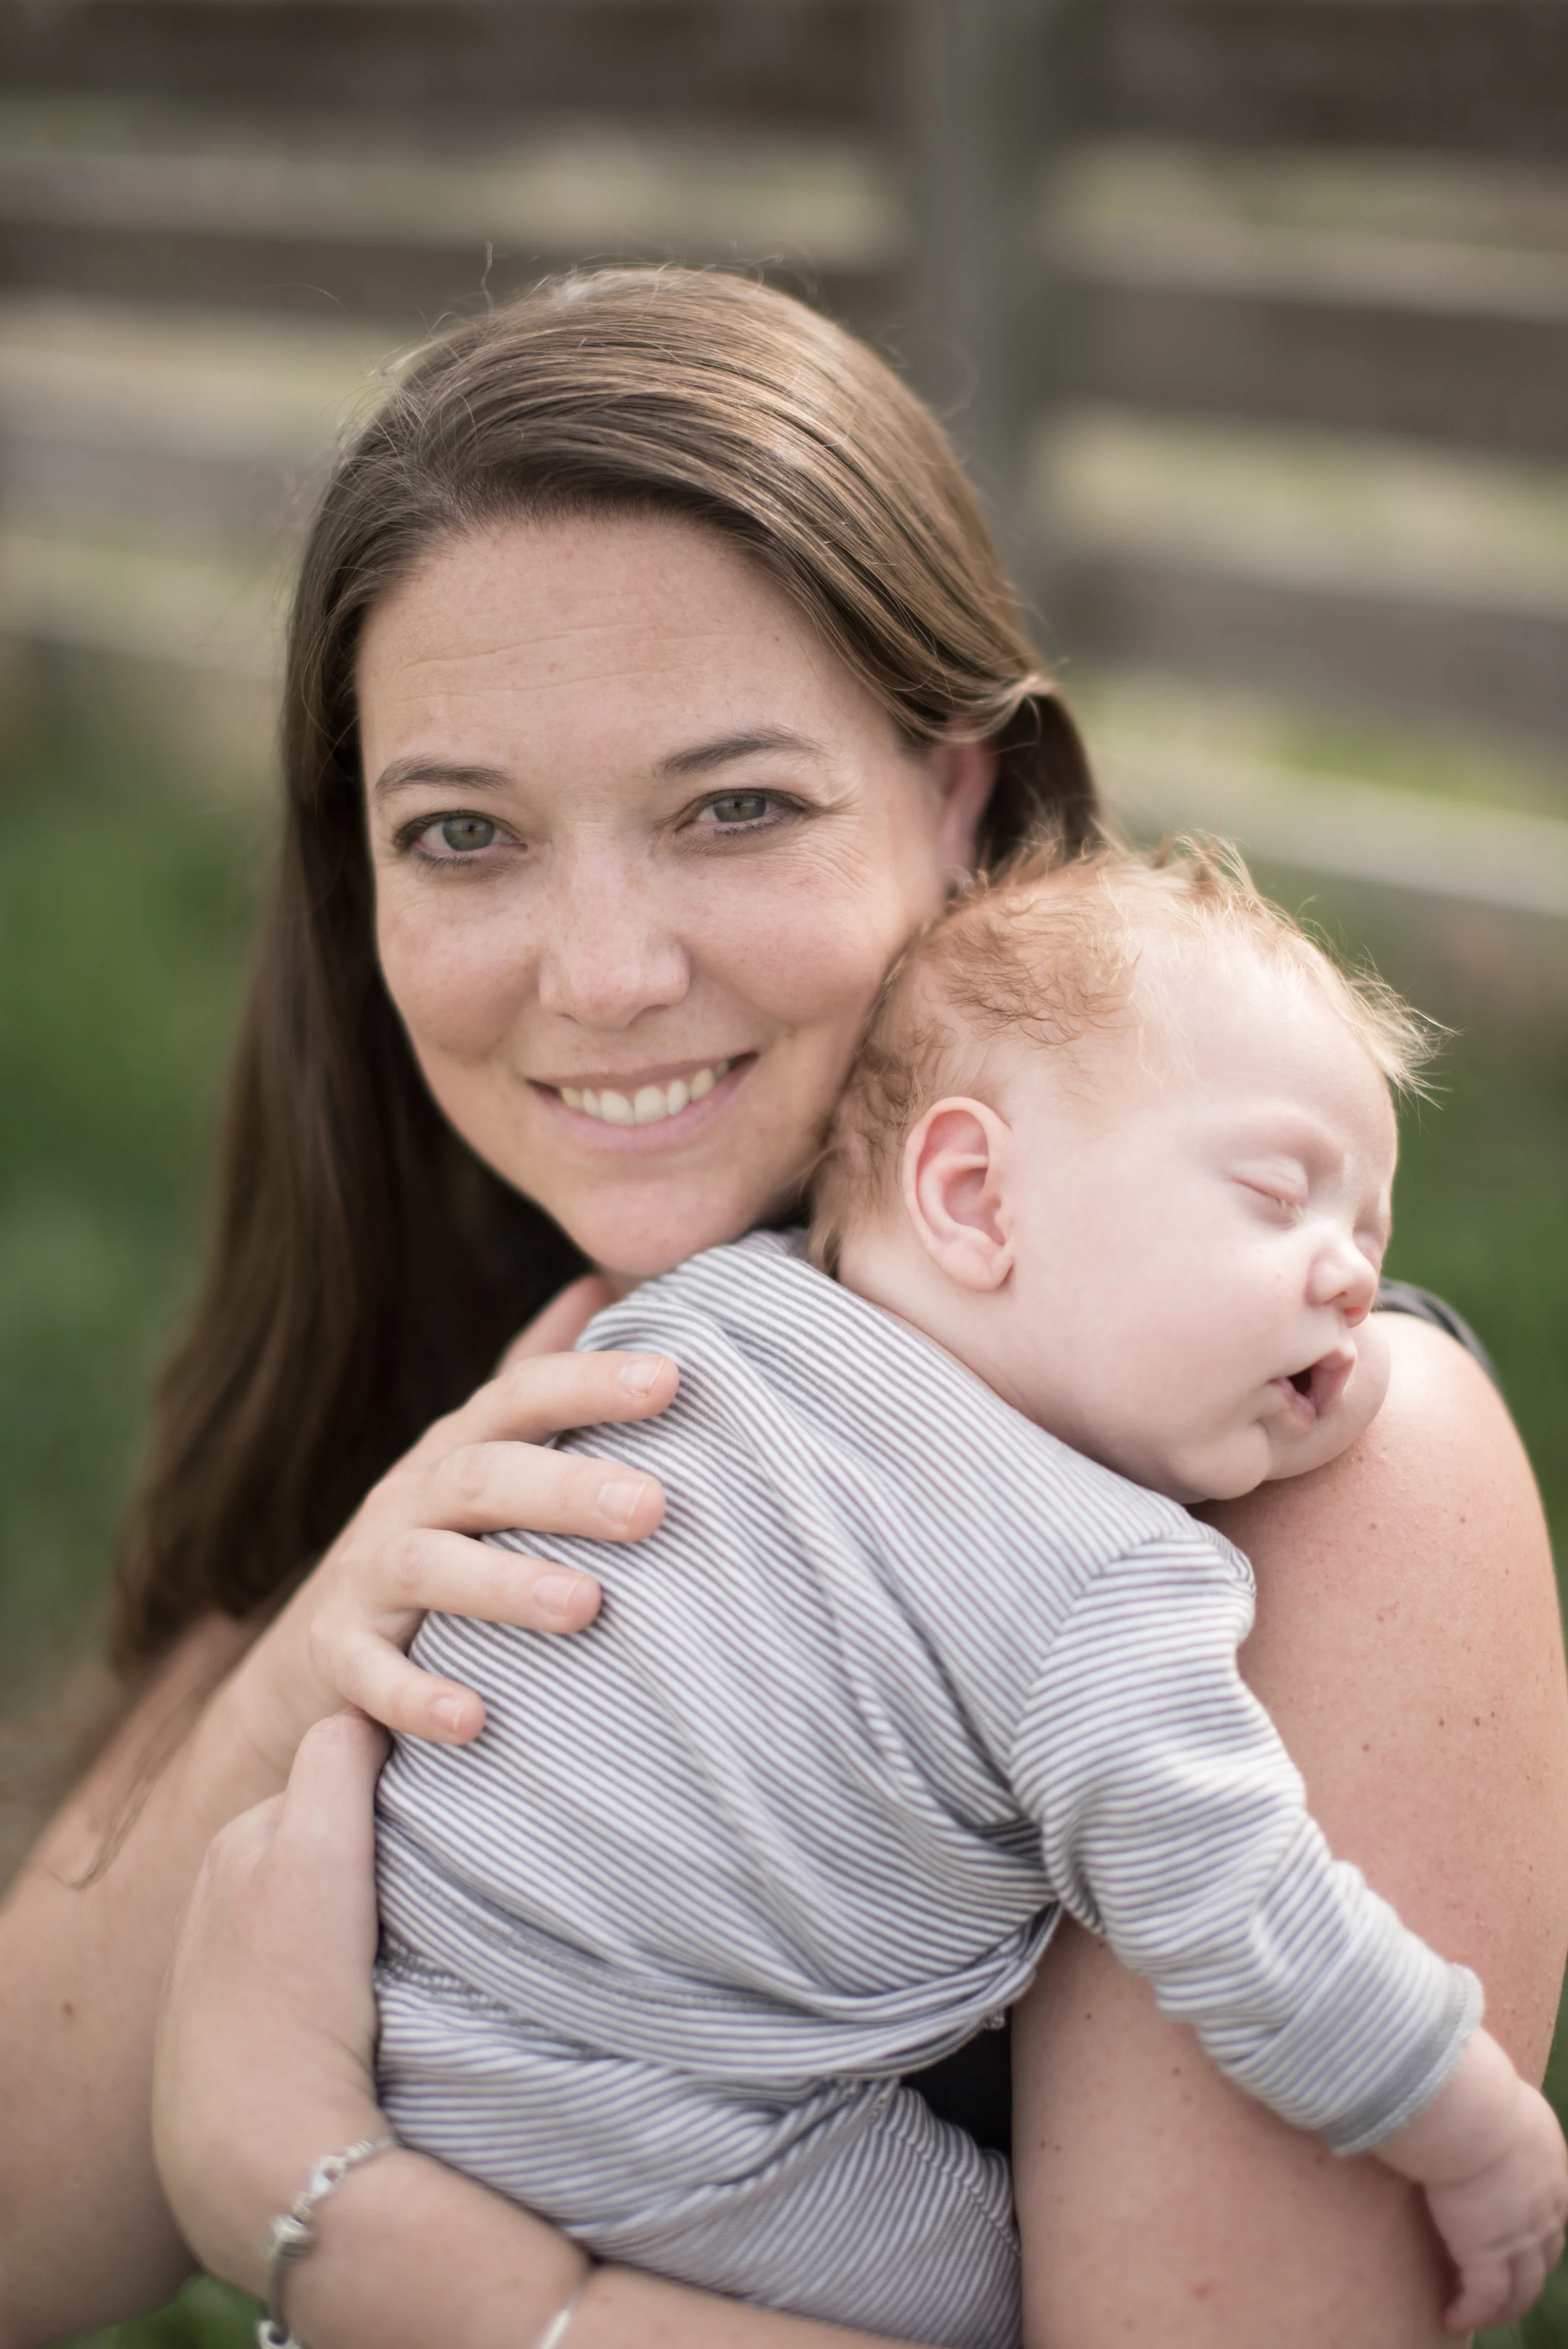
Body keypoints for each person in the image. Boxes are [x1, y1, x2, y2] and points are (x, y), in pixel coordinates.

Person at [3, 268, 1564, 2349]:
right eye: (462, 834)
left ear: (961, 797)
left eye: (735, 804)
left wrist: (433, 2277)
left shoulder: (1322, 1475)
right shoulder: (525, 1357)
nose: (603, 970)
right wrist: (316, 1665)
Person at [368, 840, 1566, 2346]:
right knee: (1006, 2299)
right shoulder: (1100, 1585)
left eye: (1366, 1238)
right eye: (1277, 1198)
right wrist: (1468, 2123)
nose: (1347, 1279)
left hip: (390, 1988)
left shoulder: (694, 1318)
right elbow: (1253, 1927)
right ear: (971, 1196)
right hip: (664, 2138)